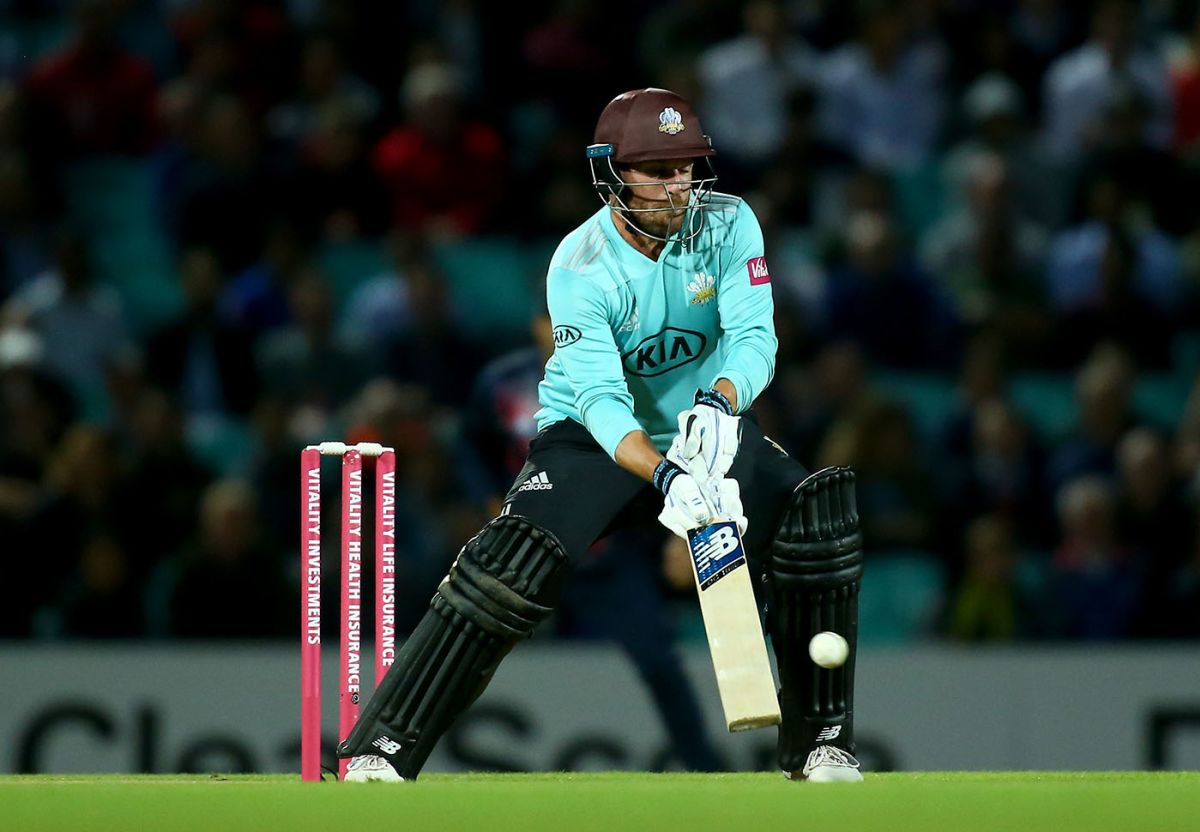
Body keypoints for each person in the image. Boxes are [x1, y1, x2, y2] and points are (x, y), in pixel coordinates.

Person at [336, 88, 865, 783]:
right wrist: (668, 474)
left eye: (686, 168)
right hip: (594, 437)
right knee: (510, 561)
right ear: (613, 172)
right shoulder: (579, 264)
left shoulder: (730, 222)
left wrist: (718, 406)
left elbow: (754, 339)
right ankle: (382, 749)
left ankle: (821, 746)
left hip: (709, 424)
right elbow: (600, 401)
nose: (678, 187)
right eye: (657, 171)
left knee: (813, 517)